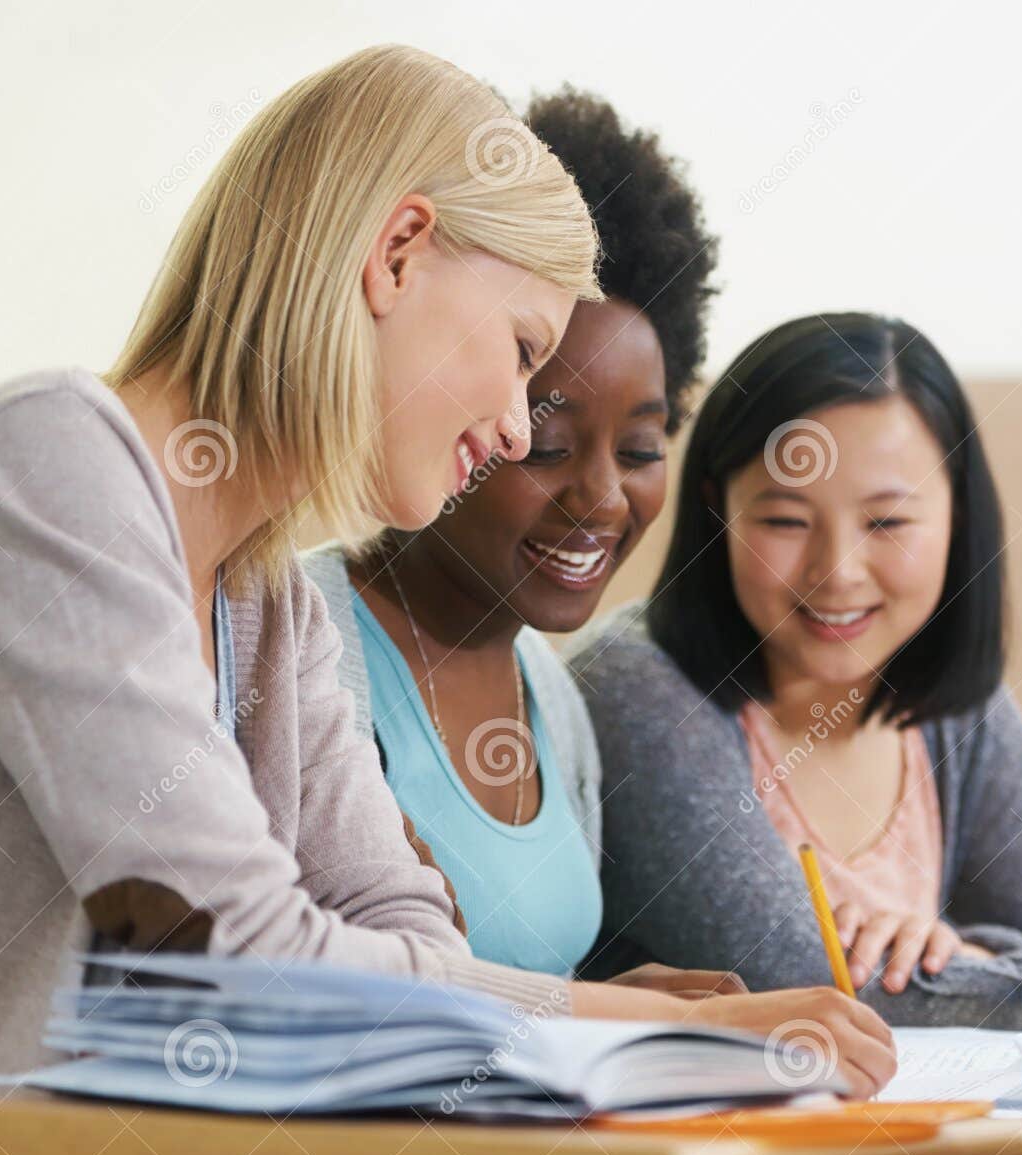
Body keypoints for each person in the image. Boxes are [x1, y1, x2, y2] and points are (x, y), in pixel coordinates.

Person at [0, 53, 894, 1103]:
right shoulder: (43, 462)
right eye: (521, 350)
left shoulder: (270, 604)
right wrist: (666, 1023)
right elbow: (237, 955)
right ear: (397, 253)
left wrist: (625, 1020)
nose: (511, 426)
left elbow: (405, 934)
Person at [569, 312, 1022, 1037]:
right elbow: (818, 990)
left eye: (887, 523)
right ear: (715, 512)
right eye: (786, 521)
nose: (837, 572)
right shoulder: (636, 692)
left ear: (958, 515)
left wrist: (960, 954)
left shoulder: (952, 708)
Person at [304, 86, 715, 979]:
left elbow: (530, 986)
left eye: (642, 450)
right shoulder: (302, 644)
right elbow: (323, 990)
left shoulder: (554, 701)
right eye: (550, 444)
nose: (602, 498)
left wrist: (622, 1002)